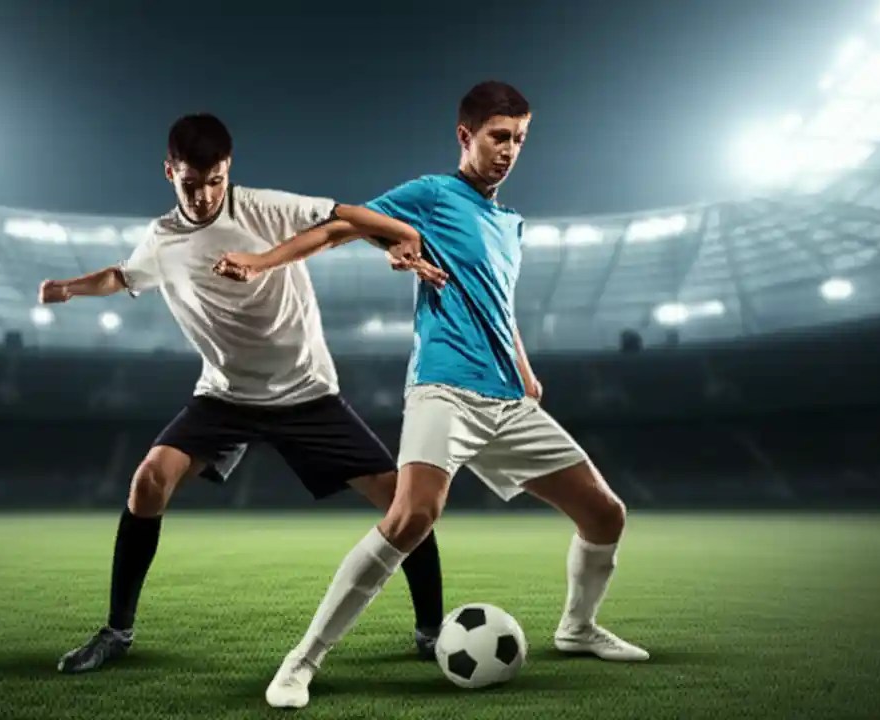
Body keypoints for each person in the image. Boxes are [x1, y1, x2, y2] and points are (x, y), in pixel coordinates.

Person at [214, 81, 648, 710]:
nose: (510, 150)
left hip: (507, 397)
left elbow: (499, 303)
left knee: (605, 514)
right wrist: (263, 262)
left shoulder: (511, 224)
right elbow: (341, 226)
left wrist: (524, 368)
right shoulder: (432, 195)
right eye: (499, 136)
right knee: (412, 517)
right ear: (465, 136)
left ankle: (577, 629)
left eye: (520, 139)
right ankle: (301, 661)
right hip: (445, 386)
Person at [44, 113, 450, 674]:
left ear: (228, 171)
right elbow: (123, 275)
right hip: (224, 397)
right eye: (192, 182)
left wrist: (398, 237)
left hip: (306, 394)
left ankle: (432, 631)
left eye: (216, 180)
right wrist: (69, 287)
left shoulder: (261, 207)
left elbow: (340, 217)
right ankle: (117, 631)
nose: (206, 194)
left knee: (406, 507)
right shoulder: (162, 239)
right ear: (169, 172)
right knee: (148, 480)